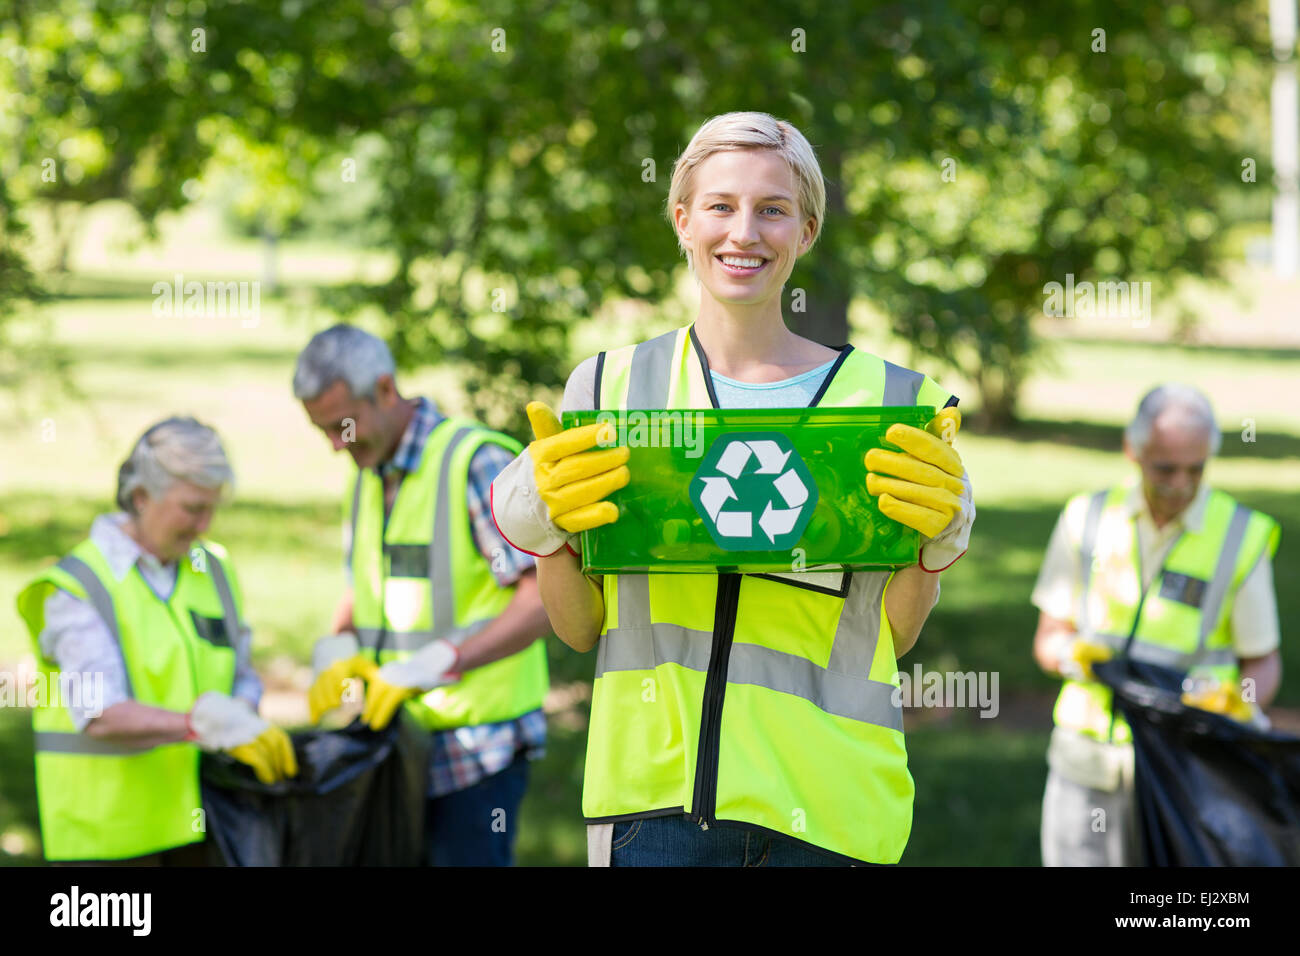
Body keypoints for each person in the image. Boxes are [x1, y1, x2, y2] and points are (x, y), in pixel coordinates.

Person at [491, 111, 975, 866]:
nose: (743, 233)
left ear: (806, 231)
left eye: (772, 209)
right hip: (653, 808)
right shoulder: (613, 388)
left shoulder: (891, 403)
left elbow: (895, 636)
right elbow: (582, 629)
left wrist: (932, 548)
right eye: (720, 205)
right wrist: (547, 530)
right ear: (682, 220)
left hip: (828, 809)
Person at [295, 325, 553, 867]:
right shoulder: (366, 474)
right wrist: (337, 648)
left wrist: (445, 661)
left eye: (343, 426)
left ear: (385, 389)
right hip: (398, 746)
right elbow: (364, 582)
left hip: (476, 752)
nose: (336, 444)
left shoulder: (473, 463)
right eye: (323, 431)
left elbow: (540, 598)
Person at [15, 416, 296, 865]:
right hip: (109, 841)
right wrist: (203, 725)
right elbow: (100, 713)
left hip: (206, 826)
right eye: (191, 508)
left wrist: (243, 713)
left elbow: (239, 671)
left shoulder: (213, 569)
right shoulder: (80, 587)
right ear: (142, 497)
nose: (204, 524)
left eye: (212, 508)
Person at [1031, 383, 1282, 866]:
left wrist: (1237, 703)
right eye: (1166, 468)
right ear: (1133, 450)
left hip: (1186, 768)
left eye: (1197, 468)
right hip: (1088, 763)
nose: (1182, 484)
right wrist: (1072, 655)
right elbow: (1048, 639)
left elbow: (1263, 661)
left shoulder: (1240, 537)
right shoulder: (1086, 519)